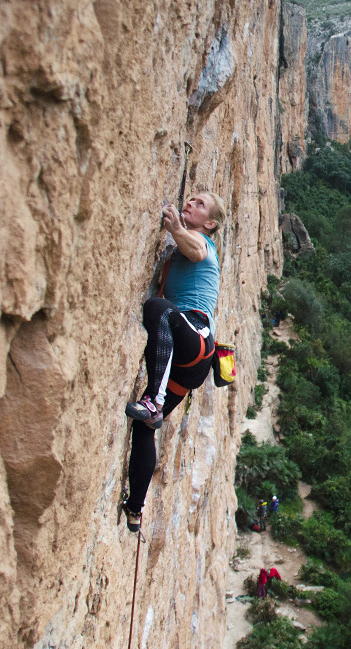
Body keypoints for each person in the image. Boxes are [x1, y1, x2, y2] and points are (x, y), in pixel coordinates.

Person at [122, 192, 225, 532]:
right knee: (144, 428)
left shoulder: (203, 243)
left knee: (157, 308)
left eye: (199, 203)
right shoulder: (186, 241)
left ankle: (154, 399)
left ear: (208, 223)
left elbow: (193, 249)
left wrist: (175, 226)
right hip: (187, 361)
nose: (191, 203)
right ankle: (135, 510)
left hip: (194, 336)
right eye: (190, 198)